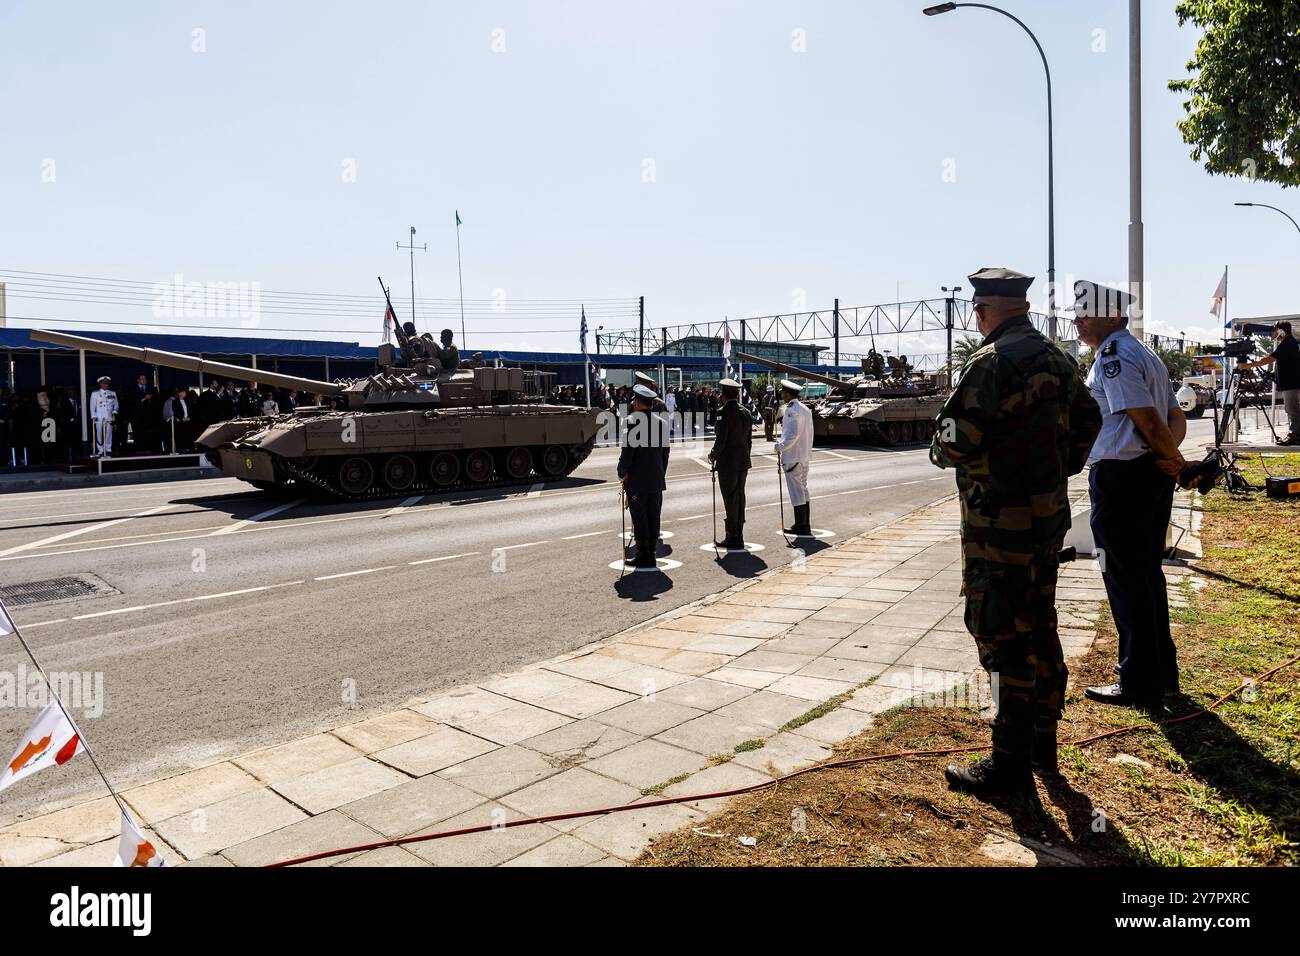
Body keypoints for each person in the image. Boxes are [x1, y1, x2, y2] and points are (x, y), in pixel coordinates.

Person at [930, 268, 1101, 797]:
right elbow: (1090, 422)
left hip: (995, 526)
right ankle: (1041, 743)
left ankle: (1008, 765)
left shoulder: (990, 364)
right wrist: (1052, 471)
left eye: (976, 311)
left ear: (984, 310)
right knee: (1039, 626)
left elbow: (951, 444)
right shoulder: (1058, 358)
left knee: (1001, 633)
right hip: (1044, 520)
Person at [1073, 279, 1187, 711]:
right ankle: (1161, 671)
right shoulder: (1144, 353)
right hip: (1147, 475)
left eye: (1086, 313)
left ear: (1114, 315)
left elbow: (1146, 418)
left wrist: (1171, 462)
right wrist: (1169, 461)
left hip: (1123, 479)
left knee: (1126, 581)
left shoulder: (1114, 356)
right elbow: (1174, 417)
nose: (1078, 320)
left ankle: (1138, 681)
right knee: (1146, 576)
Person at [618, 384, 670, 569]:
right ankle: (651, 554)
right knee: (653, 515)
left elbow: (628, 452)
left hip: (638, 479)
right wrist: (660, 472)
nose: (632, 402)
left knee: (639, 517)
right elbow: (665, 453)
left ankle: (642, 555)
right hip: (656, 478)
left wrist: (621, 471)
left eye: (634, 400)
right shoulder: (662, 422)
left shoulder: (631, 421)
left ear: (639, 403)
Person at [708, 377, 753, 549]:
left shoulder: (722, 412)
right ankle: (739, 535)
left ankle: (732, 537)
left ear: (723, 394)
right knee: (740, 496)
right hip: (742, 461)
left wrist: (713, 455)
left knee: (730, 498)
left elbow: (721, 440)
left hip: (728, 463)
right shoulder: (746, 412)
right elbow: (749, 441)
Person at [1241, 320, 1299, 444]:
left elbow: (1269, 359)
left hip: (1291, 384)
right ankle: (1294, 435)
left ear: (1281, 332)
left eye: (1275, 331)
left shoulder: (1287, 343)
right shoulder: (1288, 343)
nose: (1273, 334)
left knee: (1292, 410)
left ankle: (1295, 436)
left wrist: (1248, 365)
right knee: (1292, 410)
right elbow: (1285, 362)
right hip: (1289, 383)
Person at [774, 379, 813, 536]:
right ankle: (805, 524)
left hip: (793, 456)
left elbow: (792, 434)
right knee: (803, 489)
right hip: (803, 456)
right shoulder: (804, 408)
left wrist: (779, 447)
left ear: (788, 394)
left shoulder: (791, 410)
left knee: (797, 492)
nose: (782, 394)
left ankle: (800, 525)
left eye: (783, 392)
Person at [89, 376, 118, 458]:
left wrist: (114, 411)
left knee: (109, 432)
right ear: (100, 384)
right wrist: (93, 415)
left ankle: (108, 449)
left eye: (107, 383)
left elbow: (116, 405)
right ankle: (100, 449)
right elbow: (92, 406)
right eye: (104, 383)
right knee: (99, 433)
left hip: (109, 416)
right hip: (99, 416)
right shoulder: (95, 393)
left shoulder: (112, 393)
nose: (106, 385)